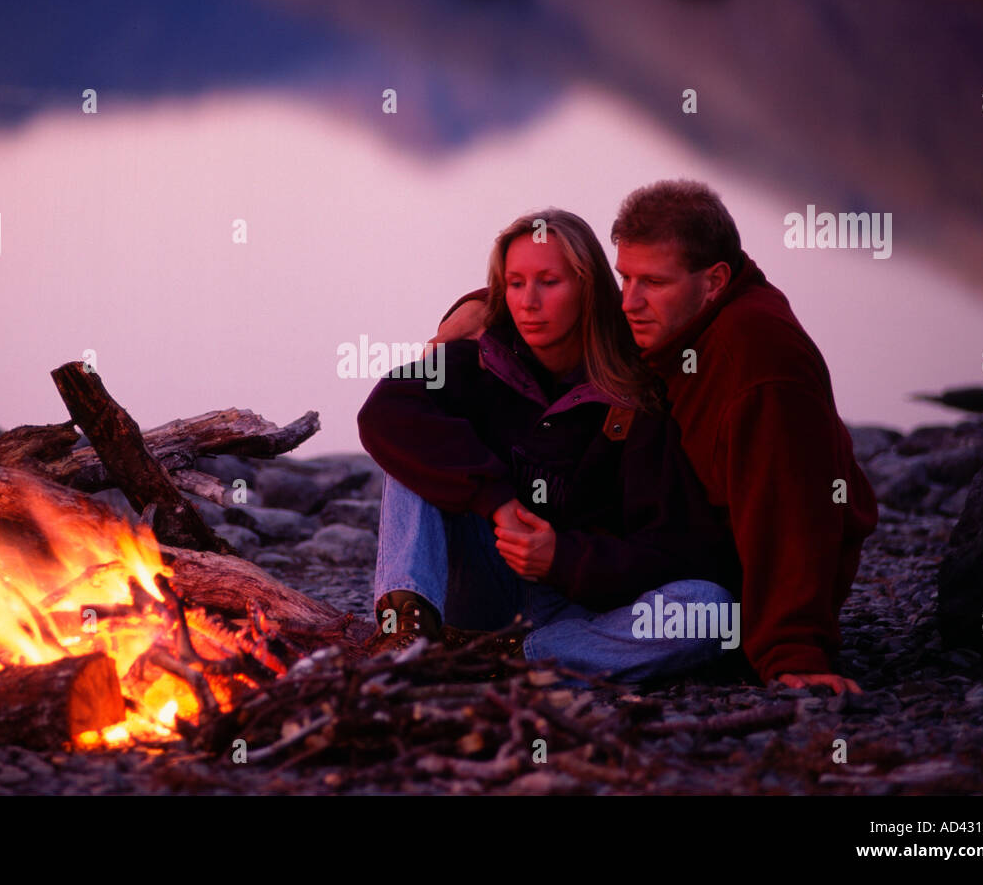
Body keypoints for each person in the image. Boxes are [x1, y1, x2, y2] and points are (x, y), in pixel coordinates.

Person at [434, 181, 878, 695]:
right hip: (629, 569)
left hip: (724, 592)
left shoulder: (760, 365)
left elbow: (794, 512)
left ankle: (511, 659)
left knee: (706, 614)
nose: (629, 301)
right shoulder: (675, 318)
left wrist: (793, 650)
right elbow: (573, 306)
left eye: (652, 282)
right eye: (625, 277)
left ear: (714, 281)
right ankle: (417, 635)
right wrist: (485, 305)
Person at [357, 208, 742, 683]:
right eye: (515, 284)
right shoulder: (476, 361)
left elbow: (668, 549)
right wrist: (495, 502)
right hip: (481, 582)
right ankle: (407, 633)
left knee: (710, 610)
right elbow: (381, 413)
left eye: (549, 282)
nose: (529, 302)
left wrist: (562, 556)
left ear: (589, 286)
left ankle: (519, 659)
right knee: (413, 448)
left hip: (575, 609)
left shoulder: (637, 394)